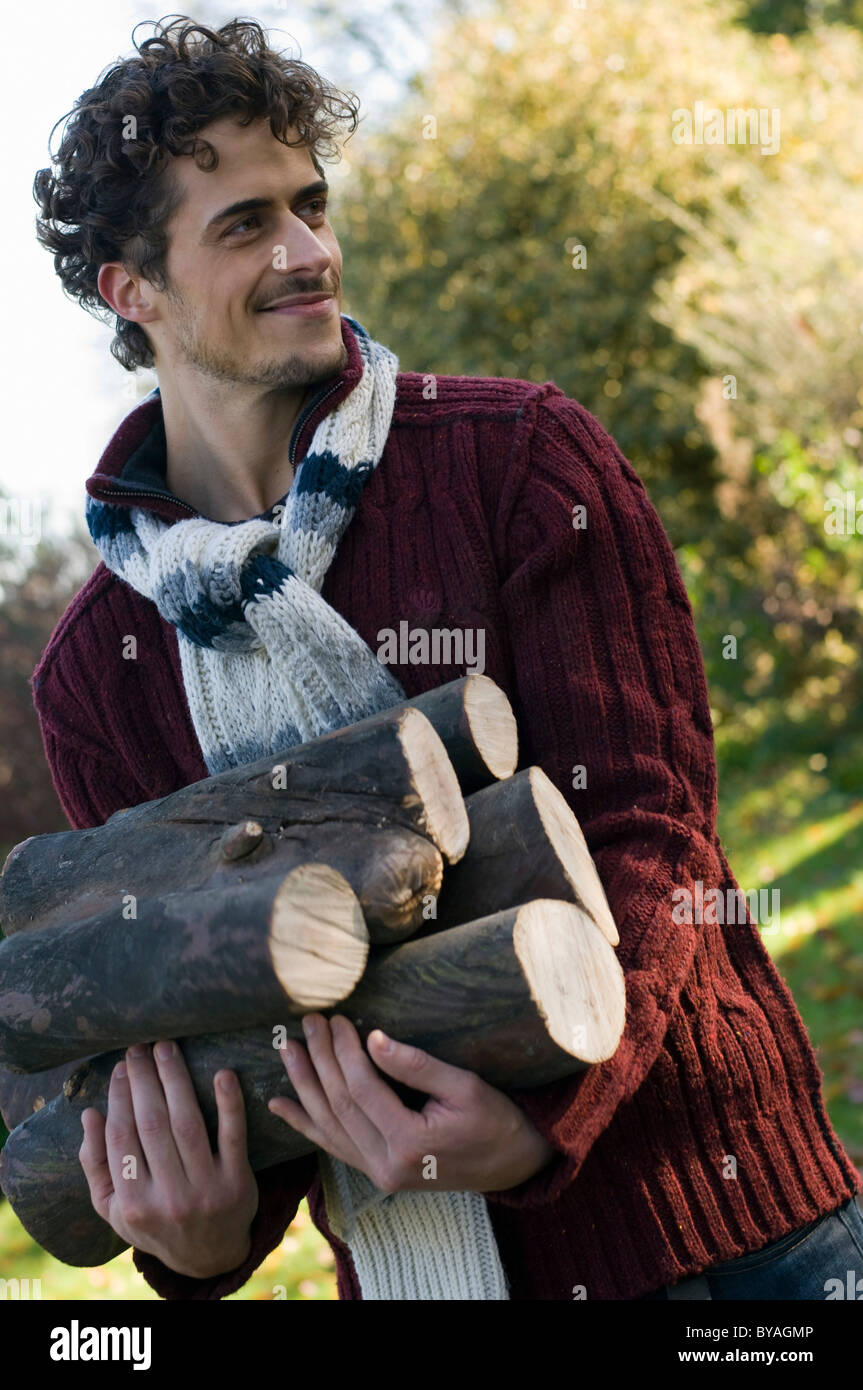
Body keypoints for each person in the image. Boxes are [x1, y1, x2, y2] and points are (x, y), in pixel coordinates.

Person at [30, 16, 862, 1301]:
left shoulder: (521, 463)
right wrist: (193, 1248)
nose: (310, 253)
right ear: (127, 289)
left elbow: (653, 832)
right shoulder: (101, 671)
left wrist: (542, 1125)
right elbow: (202, 1035)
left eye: (311, 206)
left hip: (724, 1237)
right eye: (244, 224)